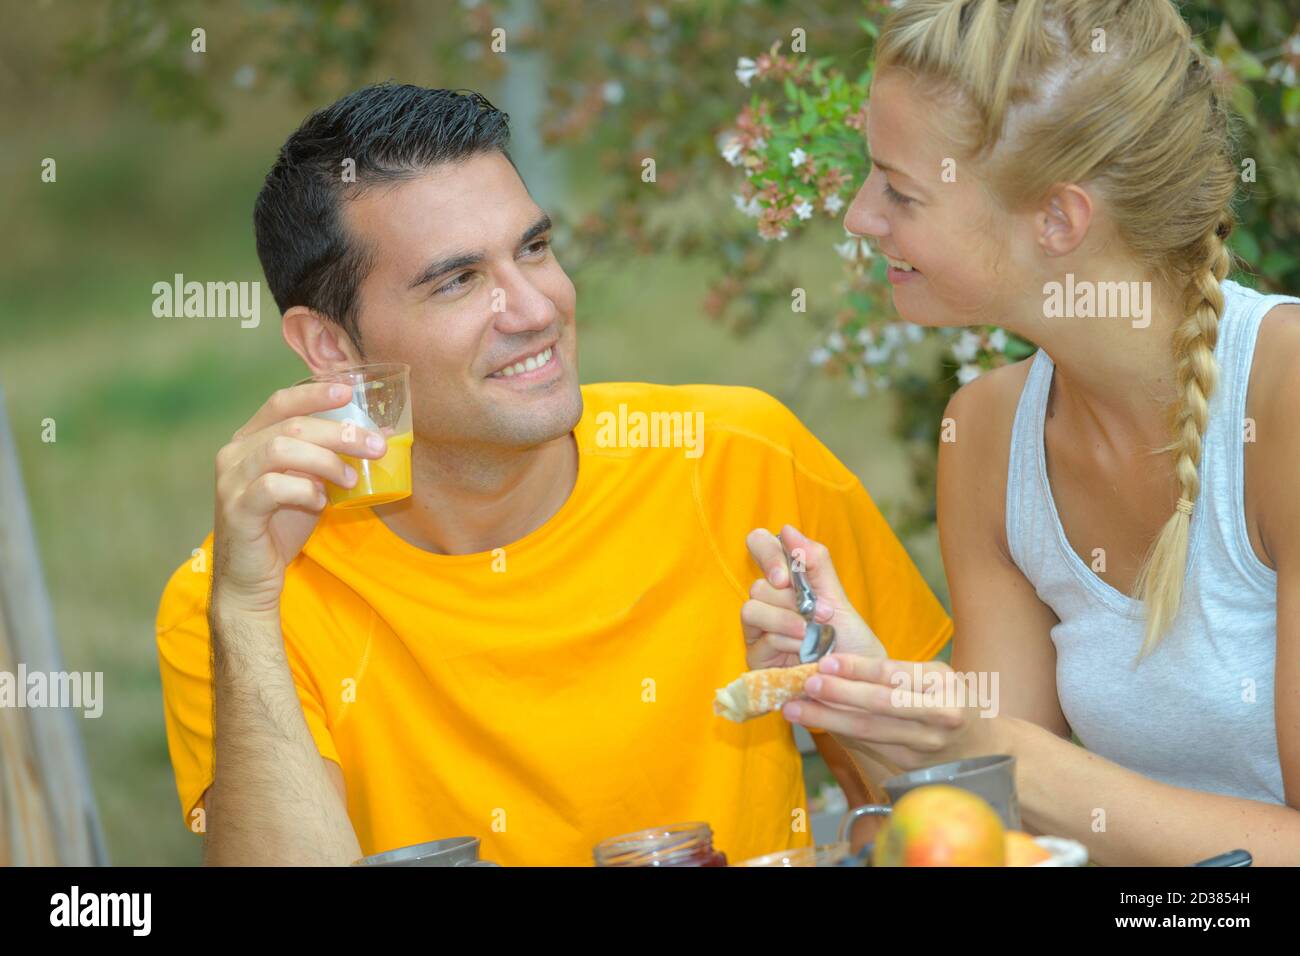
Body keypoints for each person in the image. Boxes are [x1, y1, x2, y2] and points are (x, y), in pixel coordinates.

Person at [155, 82, 952, 866]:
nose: (536, 309)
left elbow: (947, 808)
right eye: (459, 281)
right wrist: (247, 611)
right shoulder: (236, 599)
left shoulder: (742, 459)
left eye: (534, 248)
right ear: (330, 347)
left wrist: (867, 771)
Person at [741, 0, 1300, 865]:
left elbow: (1008, 762)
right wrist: (869, 697)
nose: (857, 215)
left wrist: (983, 744)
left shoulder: (1285, 395)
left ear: (1059, 221)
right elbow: (998, 831)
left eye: (900, 189)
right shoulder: (989, 430)